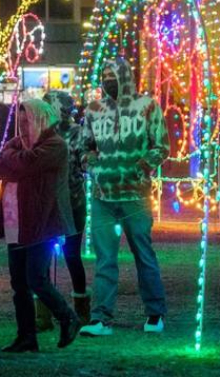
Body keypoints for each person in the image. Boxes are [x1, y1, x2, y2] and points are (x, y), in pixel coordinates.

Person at [79, 57, 169, 337]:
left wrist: (141, 166)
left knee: (143, 254)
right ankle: (100, 318)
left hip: (135, 195)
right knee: (104, 259)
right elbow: (85, 146)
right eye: (105, 76)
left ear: (125, 77)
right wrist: (92, 164)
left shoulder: (147, 106)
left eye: (113, 76)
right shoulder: (93, 110)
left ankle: (155, 313)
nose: (109, 81)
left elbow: (162, 146)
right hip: (102, 197)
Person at [0, 98, 81, 352]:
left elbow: (26, 164)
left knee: (36, 278)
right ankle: (26, 336)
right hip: (15, 221)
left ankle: (67, 317)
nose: (22, 126)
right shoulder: (19, 145)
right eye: (20, 121)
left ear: (41, 119)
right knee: (18, 283)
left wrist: (11, 157)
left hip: (43, 222)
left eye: (27, 120)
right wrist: (15, 160)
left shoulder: (55, 145)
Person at [41, 90, 90, 328]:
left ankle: (81, 311)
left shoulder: (78, 133)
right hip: (47, 204)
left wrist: (90, 161)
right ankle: (43, 314)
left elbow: (85, 161)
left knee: (71, 254)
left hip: (73, 202)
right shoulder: (42, 134)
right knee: (42, 258)